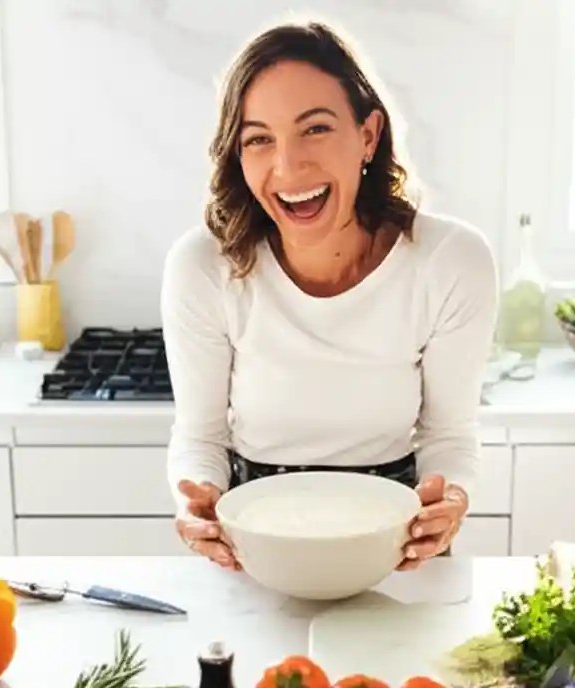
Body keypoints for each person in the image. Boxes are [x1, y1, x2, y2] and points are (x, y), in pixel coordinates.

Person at [161, 20, 498, 572]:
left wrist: (452, 497)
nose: (288, 167)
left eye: (314, 129)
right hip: (255, 547)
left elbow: (448, 434)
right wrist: (193, 503)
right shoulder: (203, 266)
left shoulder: (450, 262)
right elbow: (199, 437)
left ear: (367, 135)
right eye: (258, 139)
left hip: (397, 544)